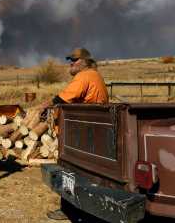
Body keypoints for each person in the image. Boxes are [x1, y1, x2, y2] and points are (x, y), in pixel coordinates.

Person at [46, 47, 108, 221]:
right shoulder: (94, 75)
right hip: (93, 130)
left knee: (70, 170)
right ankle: (80, 210)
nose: (71, 63)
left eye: (75, 60)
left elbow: (64, 97)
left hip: (83, 131)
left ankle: (69, 211)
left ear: (85, 62)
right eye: (70, 60)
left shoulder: (84, 76)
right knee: (84, 173)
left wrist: (44, 106)